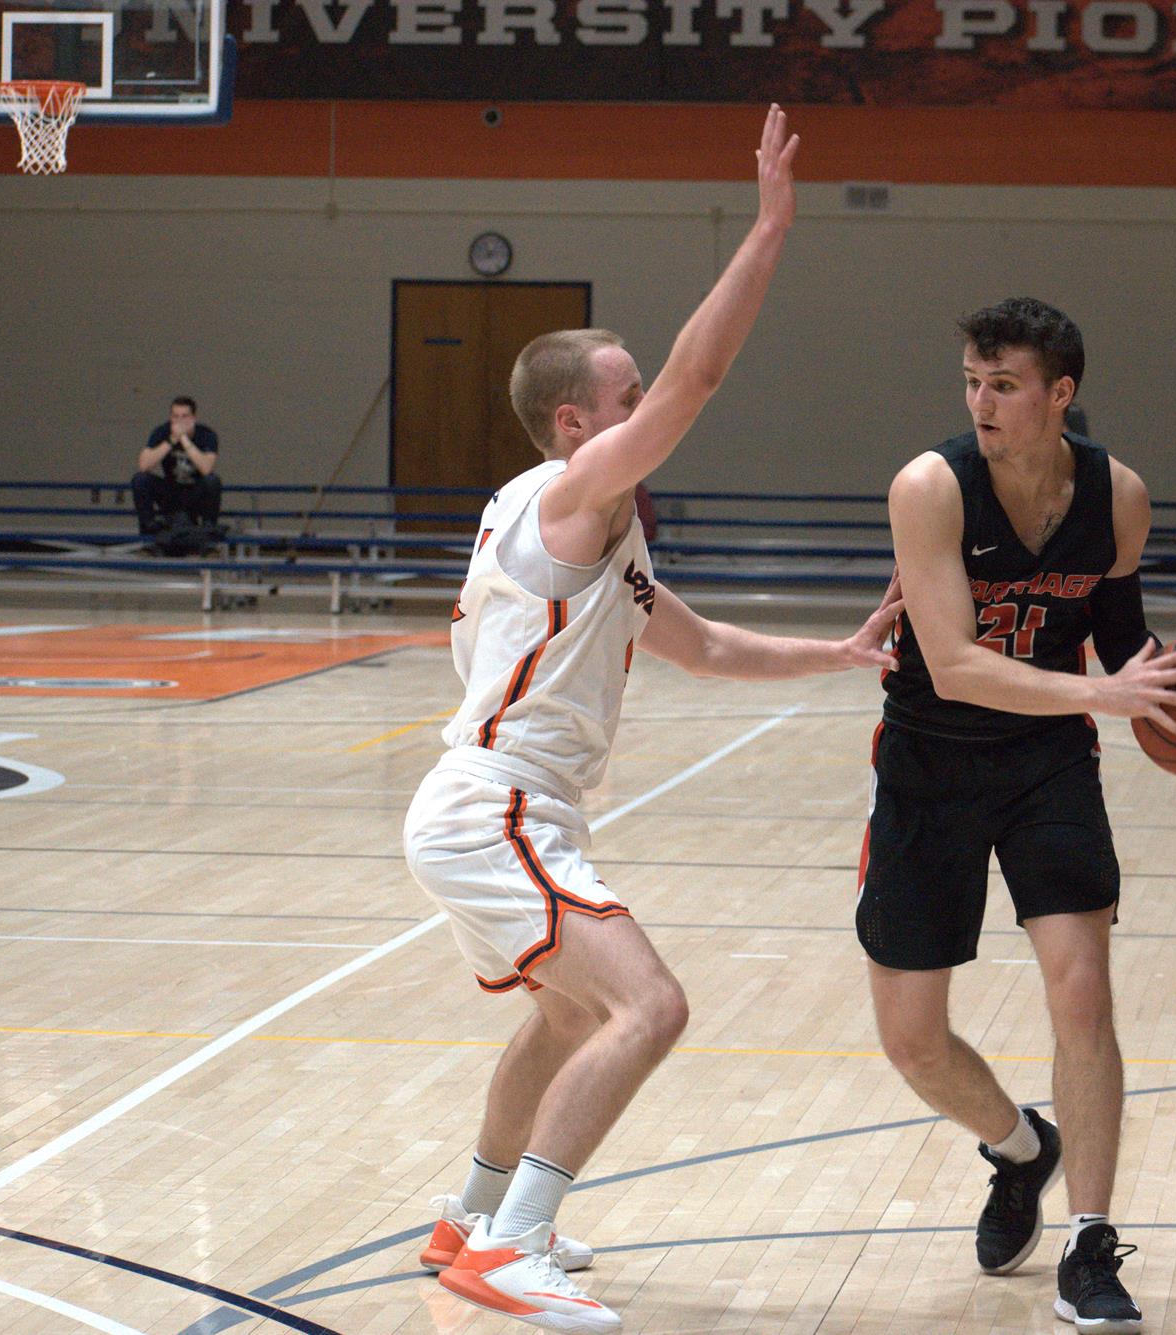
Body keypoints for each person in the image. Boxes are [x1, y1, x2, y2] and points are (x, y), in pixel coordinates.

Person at [403, 108, 902, 1335]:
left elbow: (709, 644)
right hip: (494, 805)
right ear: (579, 425)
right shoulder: (570, 496)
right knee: (650, 1008)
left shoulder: (593, 536)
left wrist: (839, 652)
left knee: (570, 1013)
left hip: (494, 806)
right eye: (622, 400)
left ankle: (470, 1219)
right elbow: (698, 376)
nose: (645, 413)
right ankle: (511, 1251)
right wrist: (771, 228)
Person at [864, 296, 1176, 1335]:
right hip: (929, 763)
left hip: (1048, 764)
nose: (980, 401)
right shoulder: (928, 490)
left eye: (1003, 384)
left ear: (1059, 394)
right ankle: (1021, 1149)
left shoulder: (1118, 497)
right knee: (912, 1039)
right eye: (971, 381)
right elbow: (958, 667)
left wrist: (1174, 690)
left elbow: (1116, 644)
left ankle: (1091, 1244)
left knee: (1082, 990)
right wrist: (1097, 693)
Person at [132, 395, 222, 539]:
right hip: (170, 491)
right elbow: (144, 465)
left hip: (195, 493)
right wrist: (172, 439)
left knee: (212, 481)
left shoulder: (207, 435)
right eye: (175, 416)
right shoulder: (162, 432)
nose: (180, 421)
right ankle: (148, 527)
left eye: (185, 416)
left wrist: (185, 440)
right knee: (140, 479)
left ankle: (209, 528)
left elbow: (206, 468)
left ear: (193, 418)